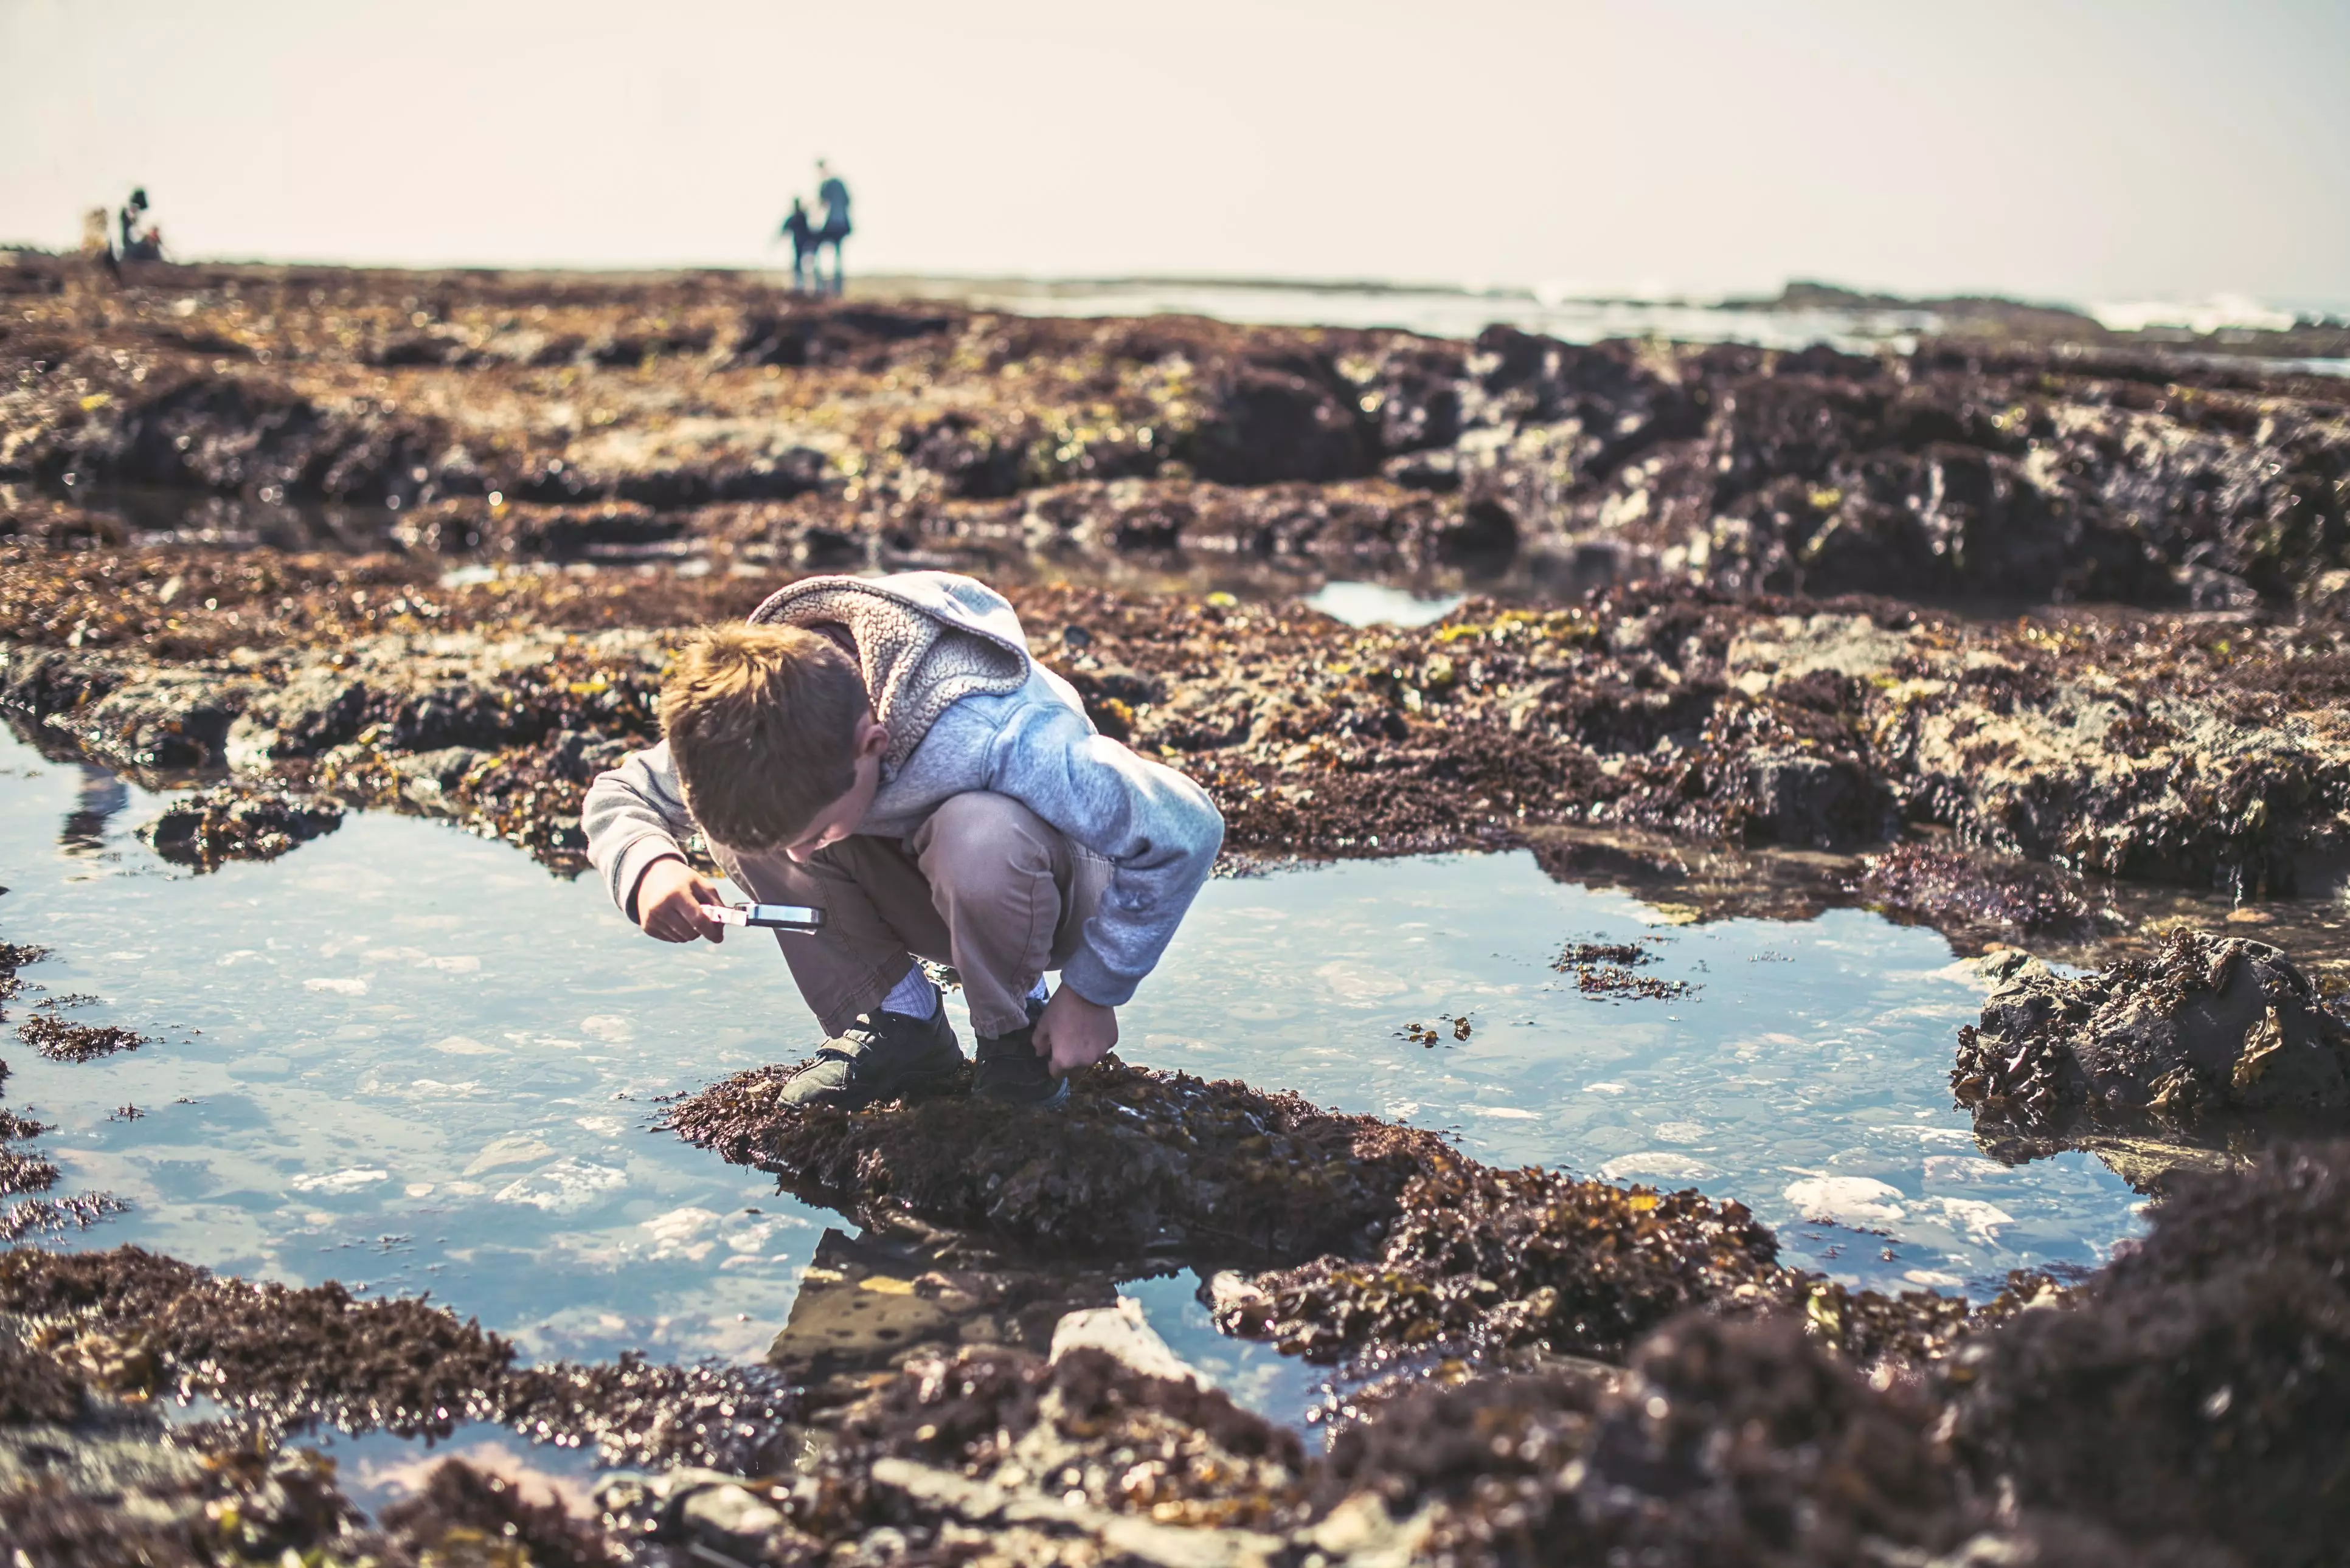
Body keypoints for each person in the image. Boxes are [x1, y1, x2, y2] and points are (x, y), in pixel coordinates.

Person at [582, 571, 1223, 1110]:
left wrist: (1093, 991)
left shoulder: (994, 730)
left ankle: (1016, 1032)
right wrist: (650, 868)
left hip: (1052, 890)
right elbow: (620, 791)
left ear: (873, 745)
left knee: (980, 832)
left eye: (818, 836)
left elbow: (1186, 827)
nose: (802, 859)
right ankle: (902, 1026)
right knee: (750, 828)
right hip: (926, 883)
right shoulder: (758, 725)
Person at [813, 159, 851, 294]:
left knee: (816, 250)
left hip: (832, 223)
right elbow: (849, 201)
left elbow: (821, 205)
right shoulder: (840, 183)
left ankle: (821, 286)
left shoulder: (827, 184)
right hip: (842, 224)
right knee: (838, 255)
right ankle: (837, 288)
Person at [779, 198, 817, 293]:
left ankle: (805, 287)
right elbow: (785, 228)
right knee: (799, 265)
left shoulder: (801, 217)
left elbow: (809, 229)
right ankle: (799, 286)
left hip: (804, 244)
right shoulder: (798, 217)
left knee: (806, 265)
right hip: (799, 245)